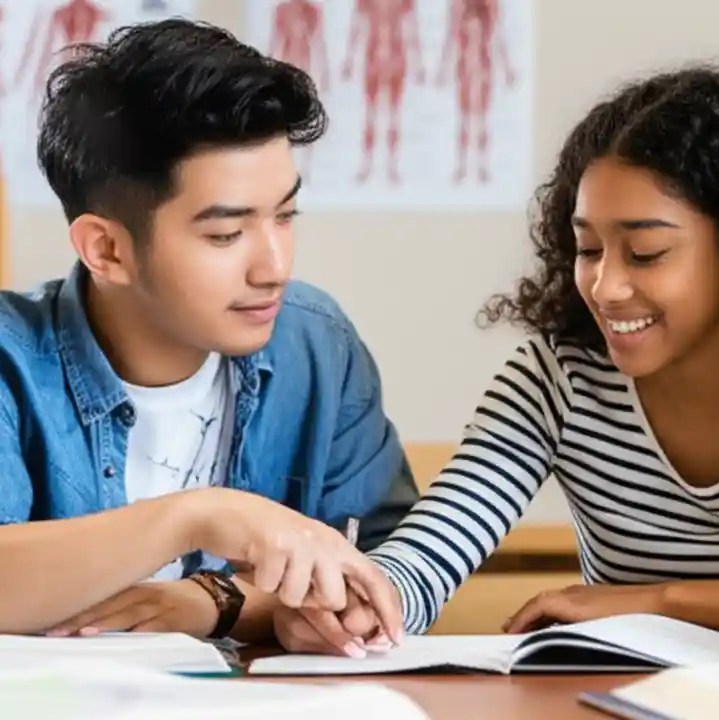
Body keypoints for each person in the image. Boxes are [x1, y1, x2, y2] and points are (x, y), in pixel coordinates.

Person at [276, 62, 719, 654]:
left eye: (646, 253)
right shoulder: (559, 378)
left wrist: (659, 601)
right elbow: (434, 548)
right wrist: (368, 600)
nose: (604, 286)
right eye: (586, 249)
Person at [0, 19, 412, 647]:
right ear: (106, 249)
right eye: (225, 234)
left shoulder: (316, 345)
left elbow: (390, 568)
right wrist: (199, 517)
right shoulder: (12, 359)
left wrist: (216, 601)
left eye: (286, 215)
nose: (274, 266)